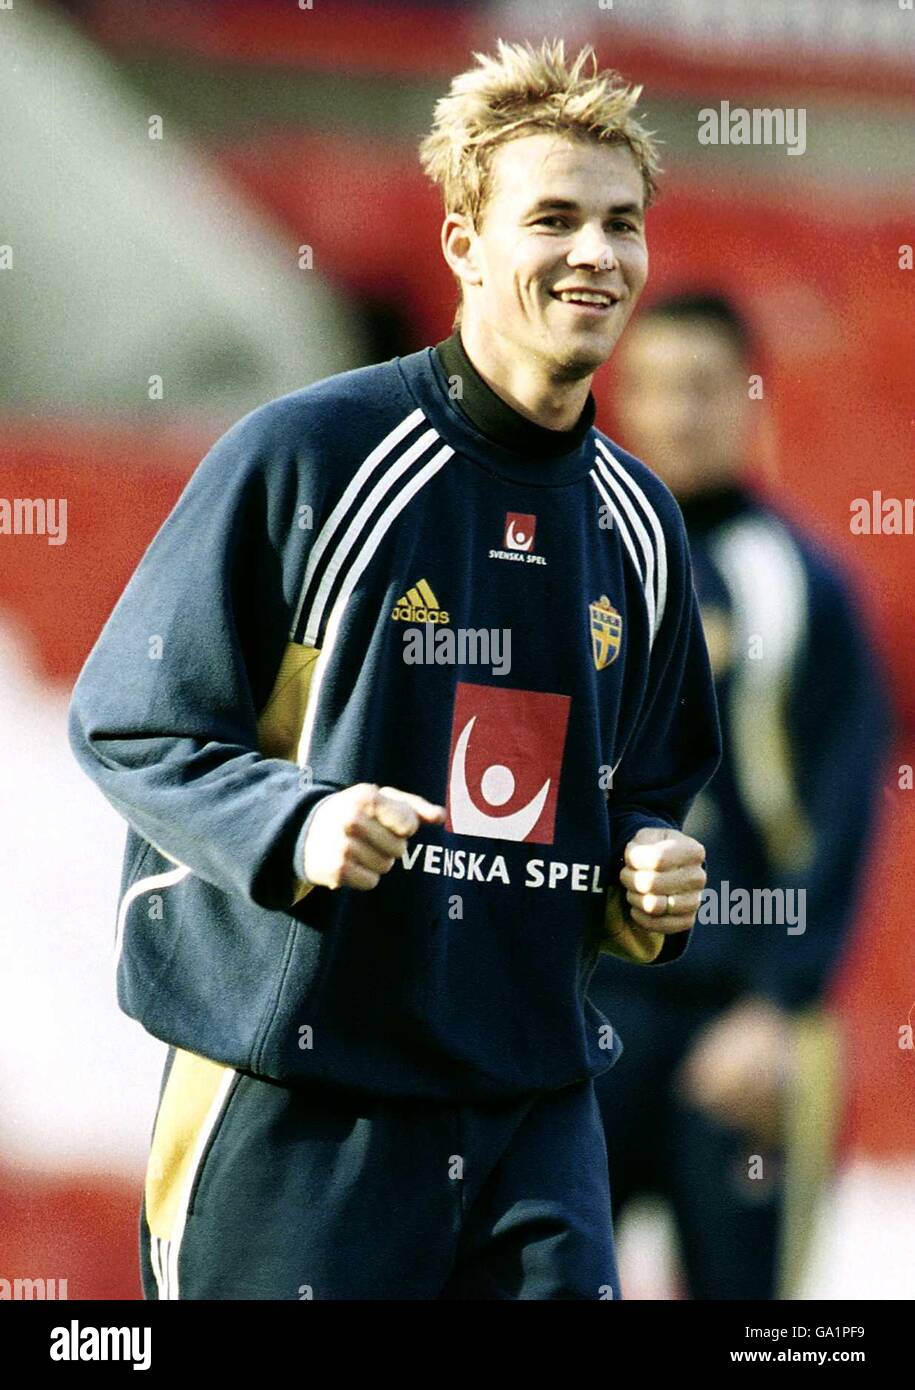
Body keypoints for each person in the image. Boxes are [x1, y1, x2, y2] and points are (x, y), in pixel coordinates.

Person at [67, 40, 720, 1301]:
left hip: (537, 1106)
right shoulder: (309, 455)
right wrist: (297, 821)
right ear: (464, 243)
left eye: (622, 224)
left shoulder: (643, 523)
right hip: (301, 1100)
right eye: (554, 219)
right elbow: (130, 724)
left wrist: (648, 863)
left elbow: (648, 784)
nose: (598, 253)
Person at [589, 291, 891, 1300]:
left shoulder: (805, 584)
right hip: (591, 1015)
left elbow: (844, 811)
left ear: (748, 402)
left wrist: (776, 1003)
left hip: (744, 1025)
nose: (679, 414)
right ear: (623, 397)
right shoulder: (570, 560)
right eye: (657, 388)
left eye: (705, 390)